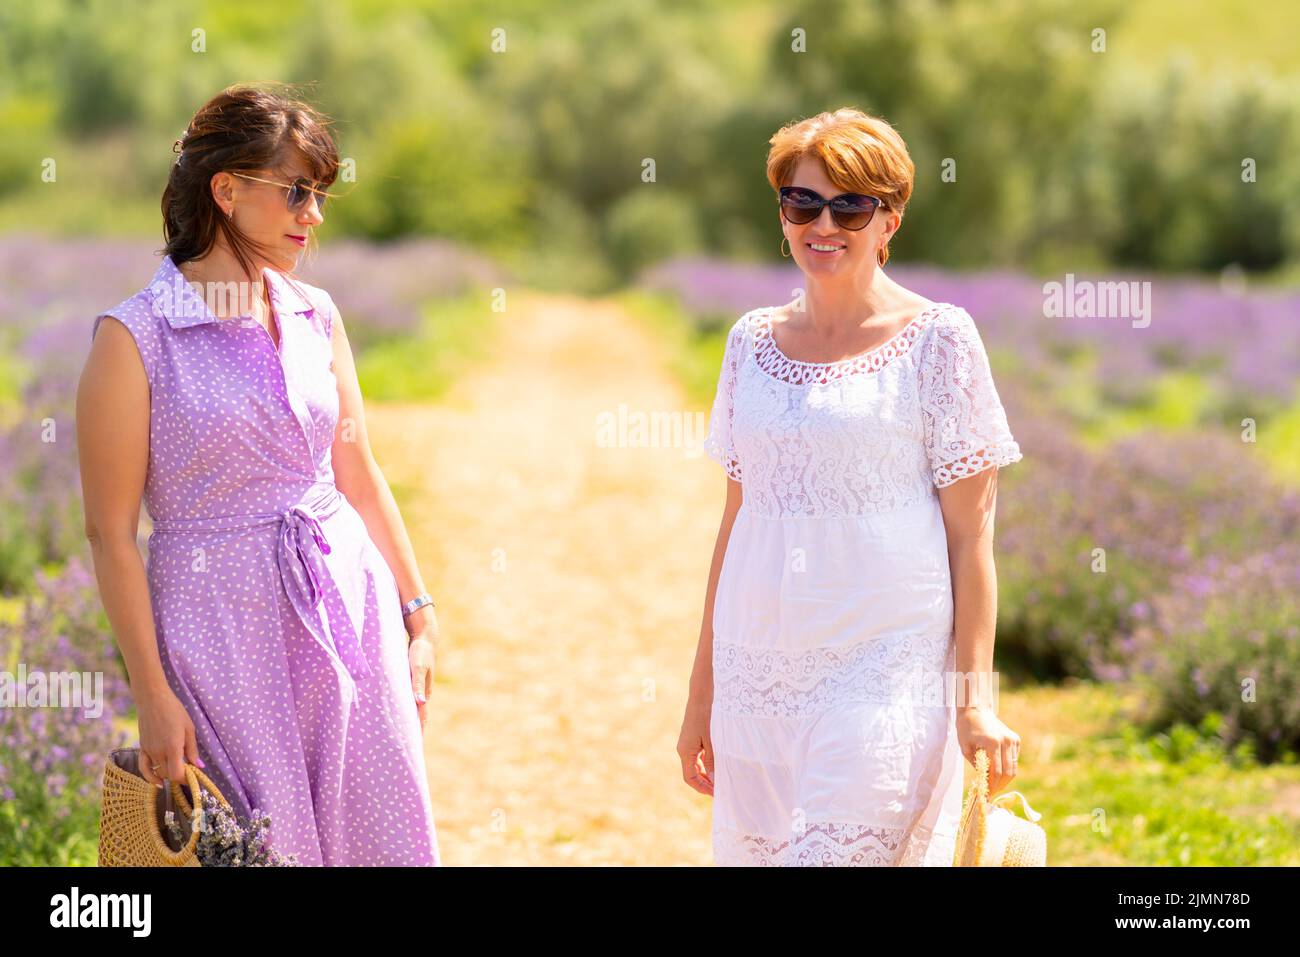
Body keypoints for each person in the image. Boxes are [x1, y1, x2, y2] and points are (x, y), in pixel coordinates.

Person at [76, 84, 441, 865]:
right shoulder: (134, 338)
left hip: (349, 604)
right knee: (257, 849)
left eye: (321, 195)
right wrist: (151, 691)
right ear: (227, 189)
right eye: (298, 191)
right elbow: (109, 534)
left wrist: (417, 610)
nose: (315, 214)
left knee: (379, 836)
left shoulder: (318, 313)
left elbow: (359, 471)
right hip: (219, 633)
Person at [677, 107, 1024, 866]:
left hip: (884, 669)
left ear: (889, 218)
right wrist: (700, 693)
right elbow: (737, 521)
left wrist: (973, 700)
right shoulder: (748, 343)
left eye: (849, 205)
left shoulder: (941, 341)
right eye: (802, 202)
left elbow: (972, 541)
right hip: (757, 669)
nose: (822, 223)